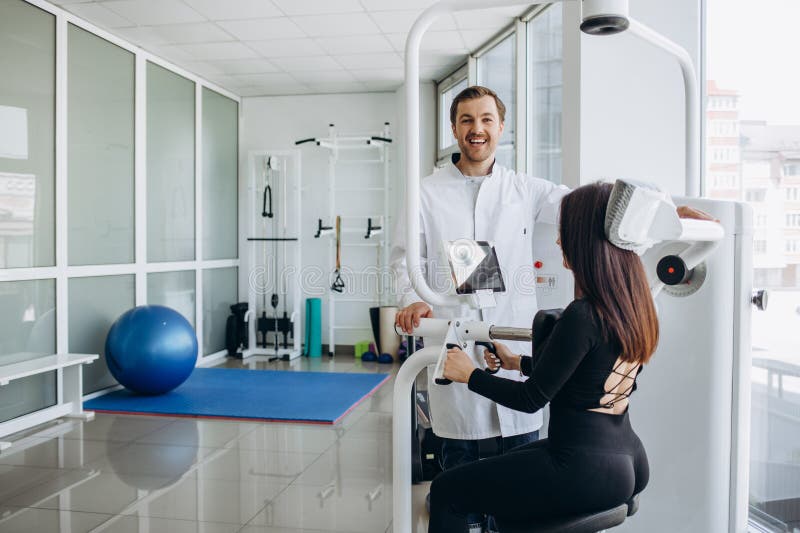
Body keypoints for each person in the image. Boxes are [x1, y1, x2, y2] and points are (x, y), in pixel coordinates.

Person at [427, 181, 656, 531]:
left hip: (582, 466)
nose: (558, 241)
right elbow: (589, 373)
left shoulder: (582, 314)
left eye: (564, 232)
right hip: (627, 456)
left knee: (446, 489)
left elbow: (530, 398)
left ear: (582, 239)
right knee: (507, 468)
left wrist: (468, 373)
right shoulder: (631, 305)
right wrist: (519, 363)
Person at [391, 86, 569, 532]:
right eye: (467, 120)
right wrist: (410, 298)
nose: (477, 129)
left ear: (501, 127)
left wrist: (658, 208)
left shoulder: (524, 189)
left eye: (487, 119)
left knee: (519, 490)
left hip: (512, 347)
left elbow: (583, 205)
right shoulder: (426, 193)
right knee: (459, 478)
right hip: (456, 343)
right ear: (454, 128)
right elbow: (401, 256)